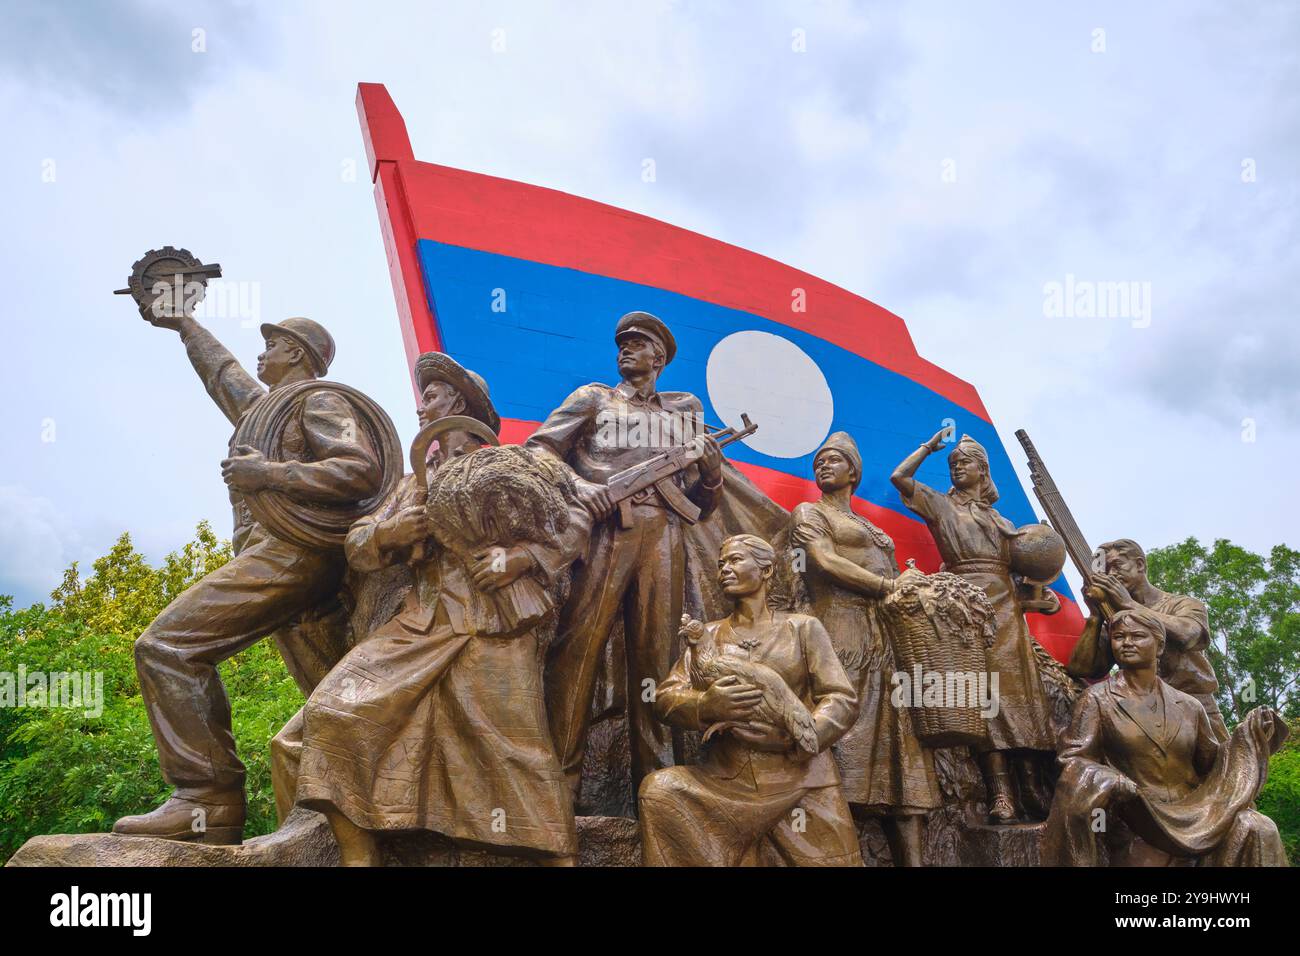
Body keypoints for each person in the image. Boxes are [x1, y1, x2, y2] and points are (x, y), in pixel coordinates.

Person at [293, 355, 591, 865]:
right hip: (418, 623)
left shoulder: (515, 463)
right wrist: (389, 534)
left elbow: (575, 521)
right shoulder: (413, 482)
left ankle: (559, 860)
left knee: (513, 752)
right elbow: (359, 542)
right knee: (332, 713)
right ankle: (360, 859)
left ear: (459, 401)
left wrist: (520, 558)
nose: (421, 405)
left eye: (431, 395)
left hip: (494, 624)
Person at [114, 299, 382, 844]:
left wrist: (270, 474)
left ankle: (206, 799)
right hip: (286, 563)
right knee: (340, 701)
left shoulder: (320, 400)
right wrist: (184, 323)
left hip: (294, 554)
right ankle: (379, 815)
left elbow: (359, 470)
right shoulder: (270, 411)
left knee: (168, 647)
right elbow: (224, 376)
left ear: (296, 353)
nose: (261, 356)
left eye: (271, 345)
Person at [526, 311, 724, 799]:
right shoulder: (593, 398)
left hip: (666, 537)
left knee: (659, 661)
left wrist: (712, 475)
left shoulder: (682, 415)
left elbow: (699, 507)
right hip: (606, 529)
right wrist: (581, 487)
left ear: (659, 357)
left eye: (637, 343)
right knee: (578, 648)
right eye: (623, 343)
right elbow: (539, 450)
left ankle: (656, 789)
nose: (625, 349)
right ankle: (557, 785)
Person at [637, 534, 863, 866]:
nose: (724, 570)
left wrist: (801, 738)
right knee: (659, 790)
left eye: (735, 560)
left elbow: (841, 698)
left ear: (767, 570)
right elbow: (666, 697)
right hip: (729, 780)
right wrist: (705, 705)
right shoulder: (708, 635)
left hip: (802, 779)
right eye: (720, 564)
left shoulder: (803, 628)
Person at [789, 432, 939, 865]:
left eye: (833, 460)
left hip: (884, 639)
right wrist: (886, 585)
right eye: (819, 461)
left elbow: (895, 581)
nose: (823, 465)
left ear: (853, 472)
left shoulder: (872, 528)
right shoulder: (810, 512)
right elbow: (824, 561)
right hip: (838, 631)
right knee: (841, 733)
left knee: (900, 747)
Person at [891, 431, 1055, 823]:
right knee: (983, 700)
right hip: (967, 607)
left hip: (1008, 610)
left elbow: (1020, 572)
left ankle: (1030, 783)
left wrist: (1036, 598)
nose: (957, 467)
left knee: (1020, 696)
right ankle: (1001, 793)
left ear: (983, 470)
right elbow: (900, 477)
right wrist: (928, 447)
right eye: (953, 464)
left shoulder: (1003, 521)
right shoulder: (942, 506)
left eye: (964, 462)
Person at [1045, 608, 1288, 867]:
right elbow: (1073, 759)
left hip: (1196, 815)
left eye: (1137, 636)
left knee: (1258, 826)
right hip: (1139, 820)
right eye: (1119, 637)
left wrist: (1249, 737)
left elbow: (1211, 764)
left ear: (1159, 646)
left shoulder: (1189, 706)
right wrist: (1109, 779)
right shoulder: (1096, 699)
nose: (1127, 643)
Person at [1067, 538, 1229, 742]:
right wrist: (1095, 616)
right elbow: (1081, 669)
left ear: (1140, 565)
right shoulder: (1116, 619)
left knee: (1224, 759)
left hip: (1195, 705)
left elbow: (1188, 635)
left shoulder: (1183, 604)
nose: (1111, 575)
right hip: (1143, 711)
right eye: (1105, 571)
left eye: (1116, 565)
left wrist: (1128, 604)